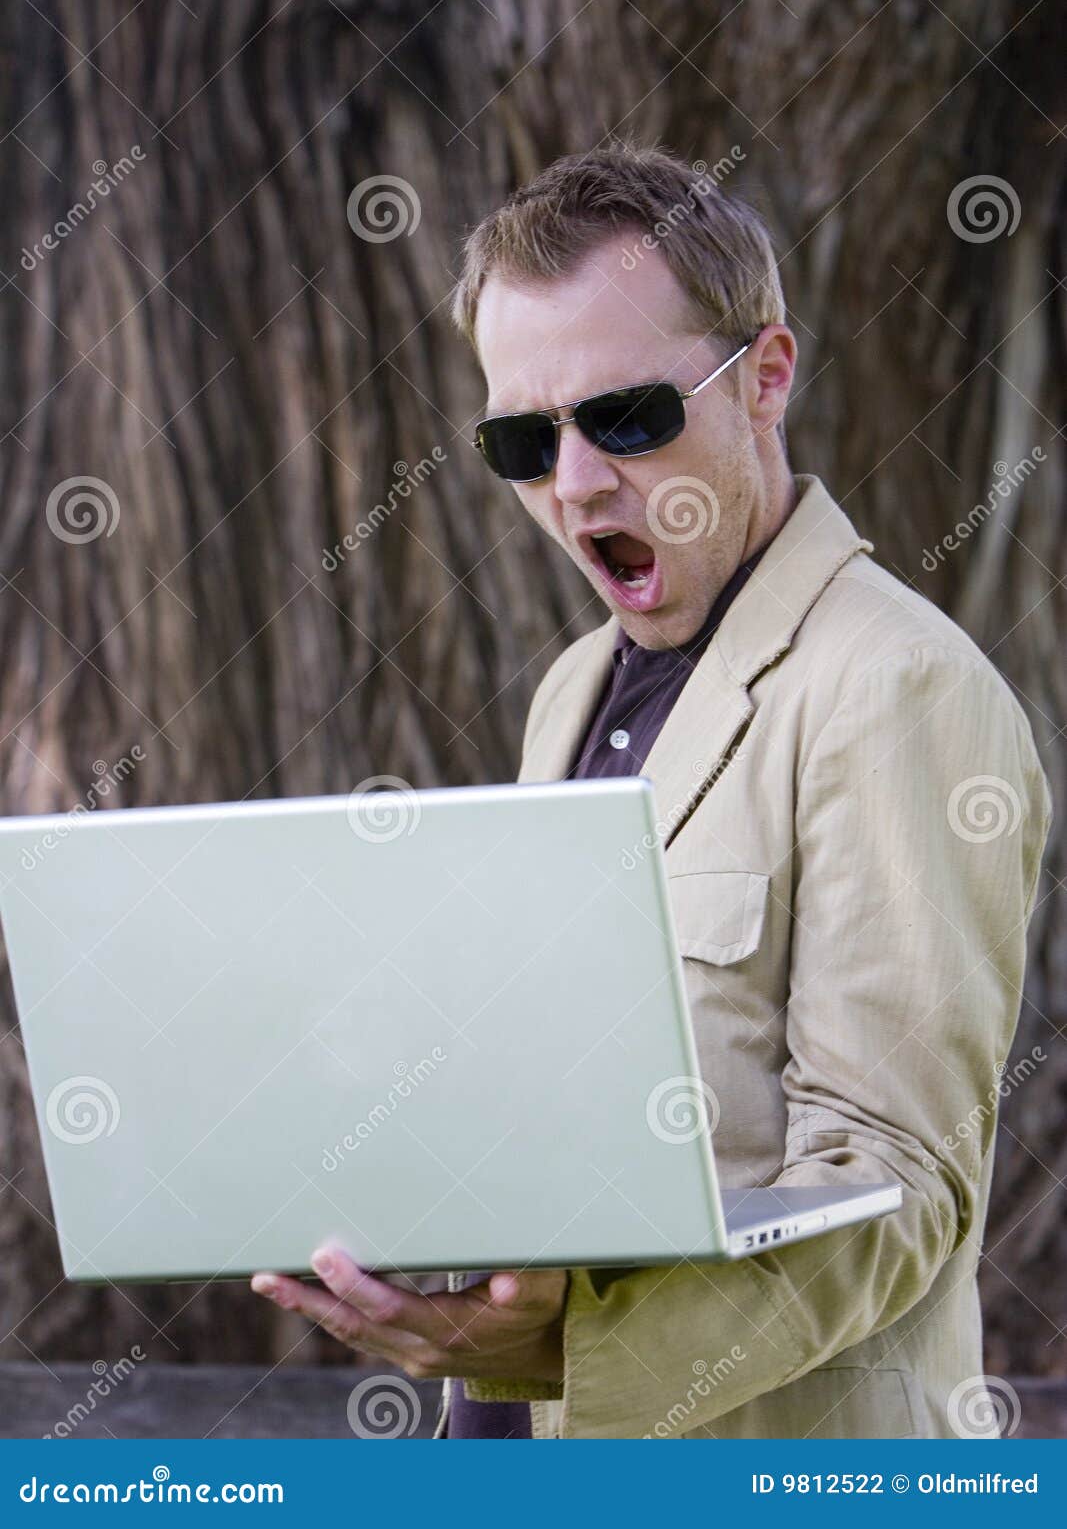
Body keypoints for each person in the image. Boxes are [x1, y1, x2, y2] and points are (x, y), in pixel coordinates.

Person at [250, 141, 1052, 1440]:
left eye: (627, 417)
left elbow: (900, 1185)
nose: (574, 486)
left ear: (766, 382)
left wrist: (569, 1341)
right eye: (525, 437)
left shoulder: (901, 689)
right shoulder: (571, 687)